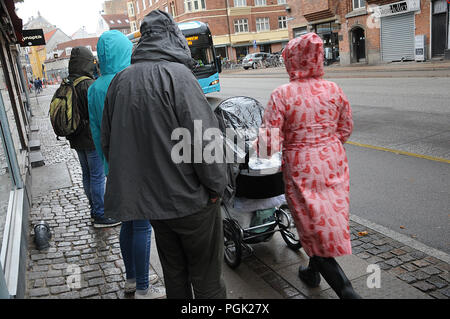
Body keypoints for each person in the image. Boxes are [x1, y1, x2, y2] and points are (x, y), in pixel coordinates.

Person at [101, 10, 228, 299]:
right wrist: (215, 188)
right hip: (191, 202)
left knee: (175, 276)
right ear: (174, 37)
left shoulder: (120, 82)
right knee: (207, 279)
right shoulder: (179, 76)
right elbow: (205, 141)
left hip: (155, 206)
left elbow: (110, 145)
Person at [256, 33, 361, 299]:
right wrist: (326, 144)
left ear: (292, 60)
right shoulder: (334, 89)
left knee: (310, 224)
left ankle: (347, 291)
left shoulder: (282, 95)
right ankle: (312, 273)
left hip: (302, 166)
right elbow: (346, 127)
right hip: (333, 161)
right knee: (324, 221)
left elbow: (268, 144)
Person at [87, 30, 162, 298]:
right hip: (137, 166)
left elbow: (97, 130)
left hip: (113, 166)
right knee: (142, 225)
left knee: (128, 224)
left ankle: (132, 279)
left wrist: (107, 163)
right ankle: (143, 287)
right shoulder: (130, 79)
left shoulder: (94, 88)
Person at [66, 46, 121, 229]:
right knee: (97, 176)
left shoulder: (70, 82)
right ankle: (100, 213)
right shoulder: (88, 85)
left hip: (75, 138)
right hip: (89, 138)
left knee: (87, 175)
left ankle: (94, 208)